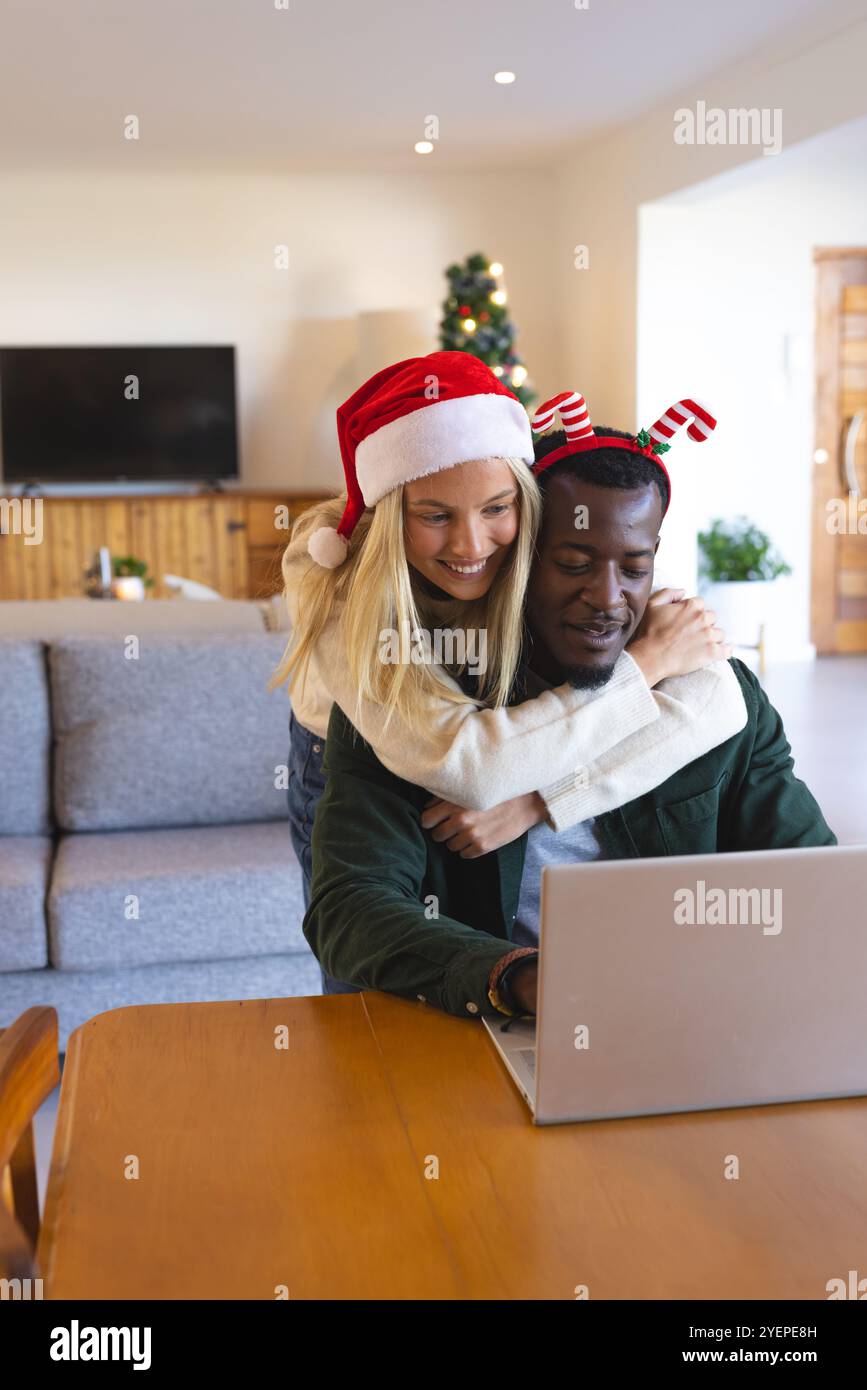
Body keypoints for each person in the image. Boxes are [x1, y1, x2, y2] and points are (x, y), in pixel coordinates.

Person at [302, 393, 836, 1018]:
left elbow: (812, 885)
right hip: (492, 1027)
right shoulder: (408, 705)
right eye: (573, 564)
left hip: (687, 1019)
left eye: (635, 568)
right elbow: (350, 908)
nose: (608, 599)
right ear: (514, 560)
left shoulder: (718, 693)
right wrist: (521, 979)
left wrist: (538, 800)